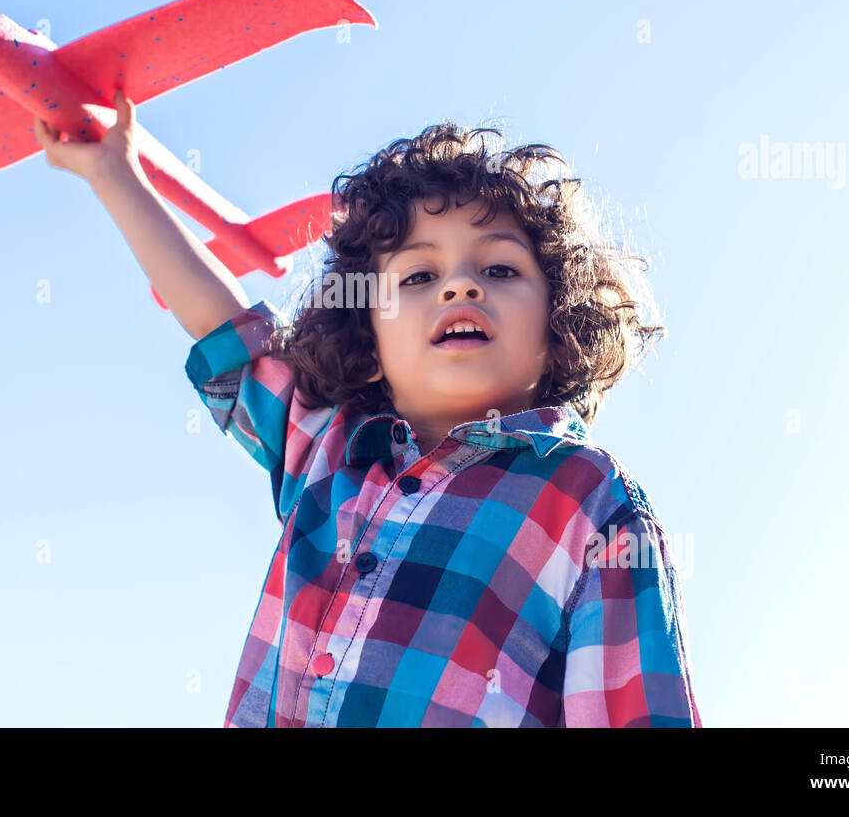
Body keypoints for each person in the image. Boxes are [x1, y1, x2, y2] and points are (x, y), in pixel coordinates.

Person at [34, 91, 702, 727]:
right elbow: (224, 327)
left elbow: (637, 706)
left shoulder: (587, 497)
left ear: (557, 330)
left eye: (500, 269)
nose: (460, 284)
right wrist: (114, 174)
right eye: (417, 277)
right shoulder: (327, 446)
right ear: (371, 342)